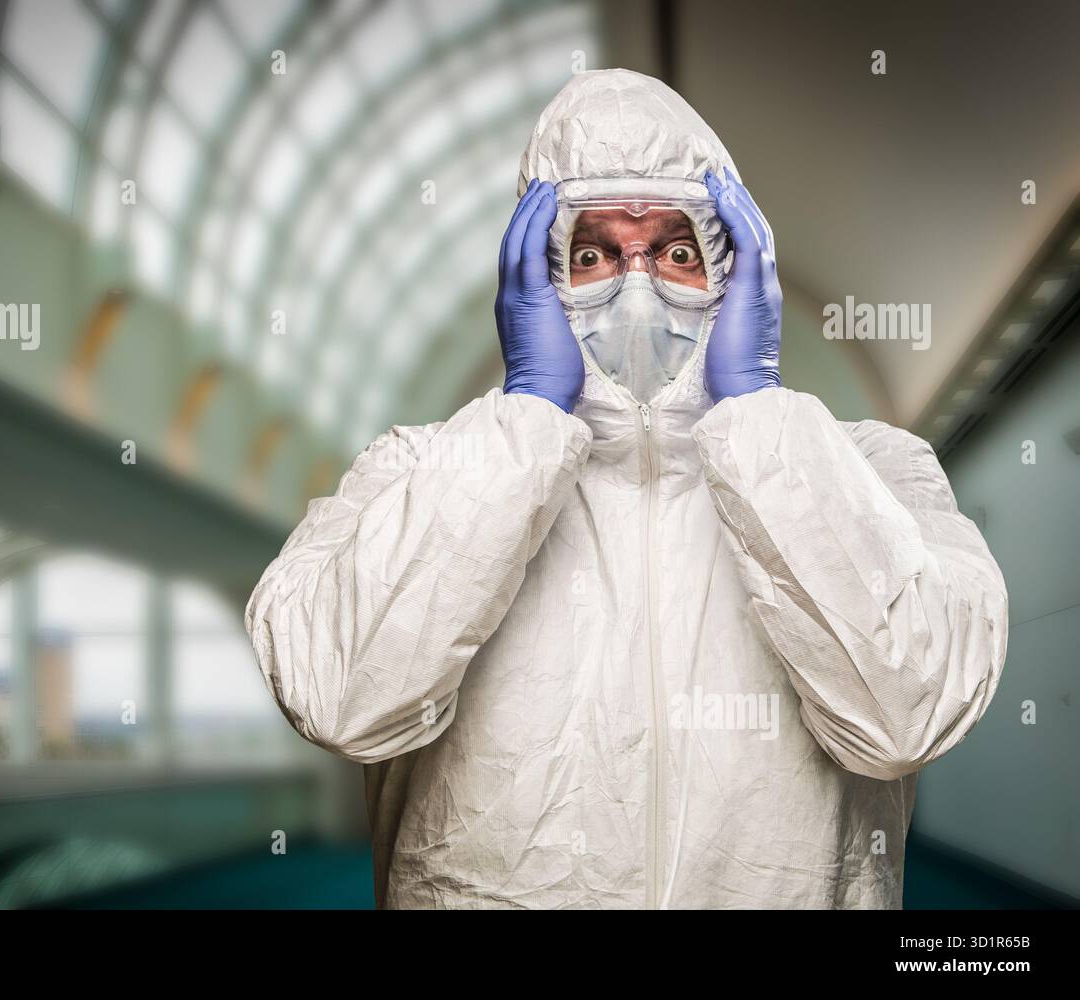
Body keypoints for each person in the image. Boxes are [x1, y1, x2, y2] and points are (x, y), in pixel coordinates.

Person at [244, 69, 1008, 909]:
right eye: (593, 253)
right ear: (534, 276)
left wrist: (758, 416)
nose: (637, 287)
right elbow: (344, 700)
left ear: (735, 271)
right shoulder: (414, 472)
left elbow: (907, 715)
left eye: (677, 251)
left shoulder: (876, 472)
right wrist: (527, 416)